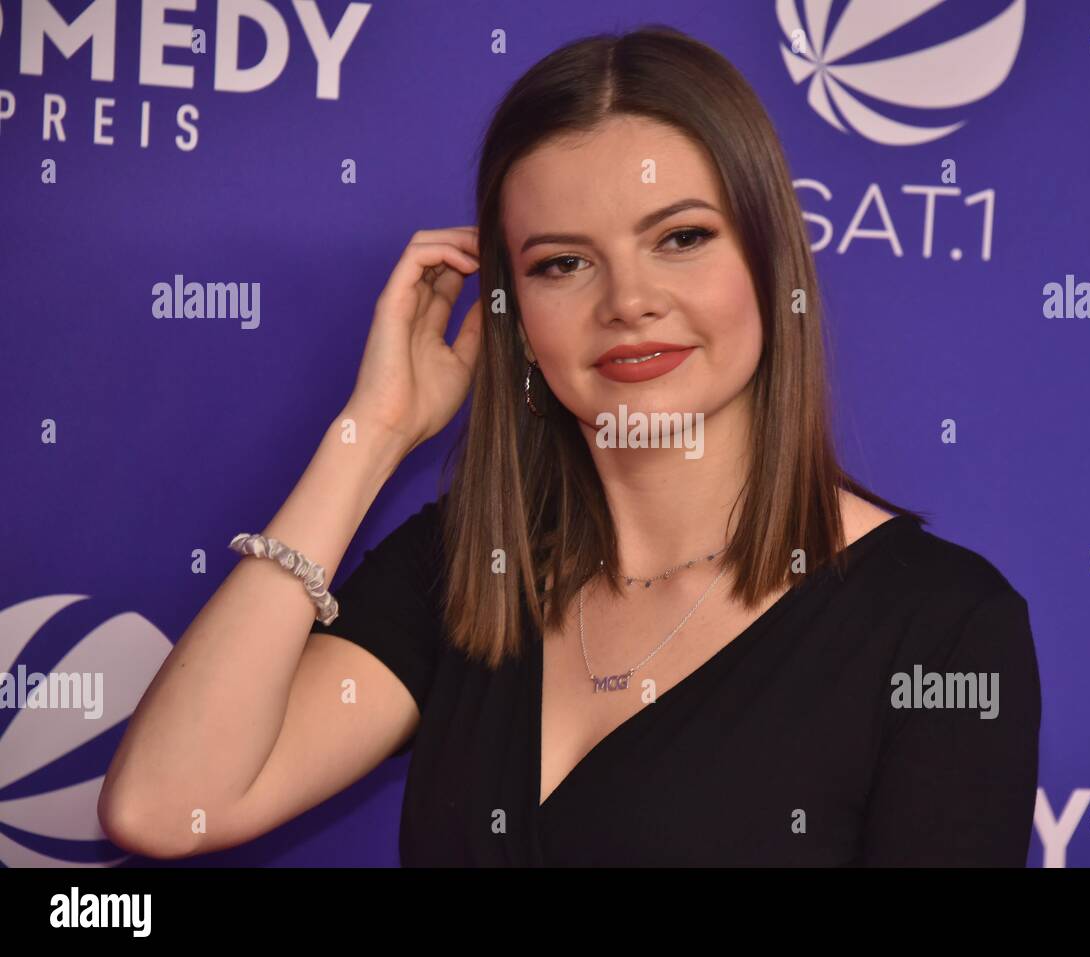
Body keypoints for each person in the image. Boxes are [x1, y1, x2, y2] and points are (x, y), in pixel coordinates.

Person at [98, 25, 1040, 867]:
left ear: (771, 258)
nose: (626, 300)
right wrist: (374, 430)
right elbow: (166, 805)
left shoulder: (942, 625)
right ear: (512, 311)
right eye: (562, 263)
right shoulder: (466, 567)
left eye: (680, 237)